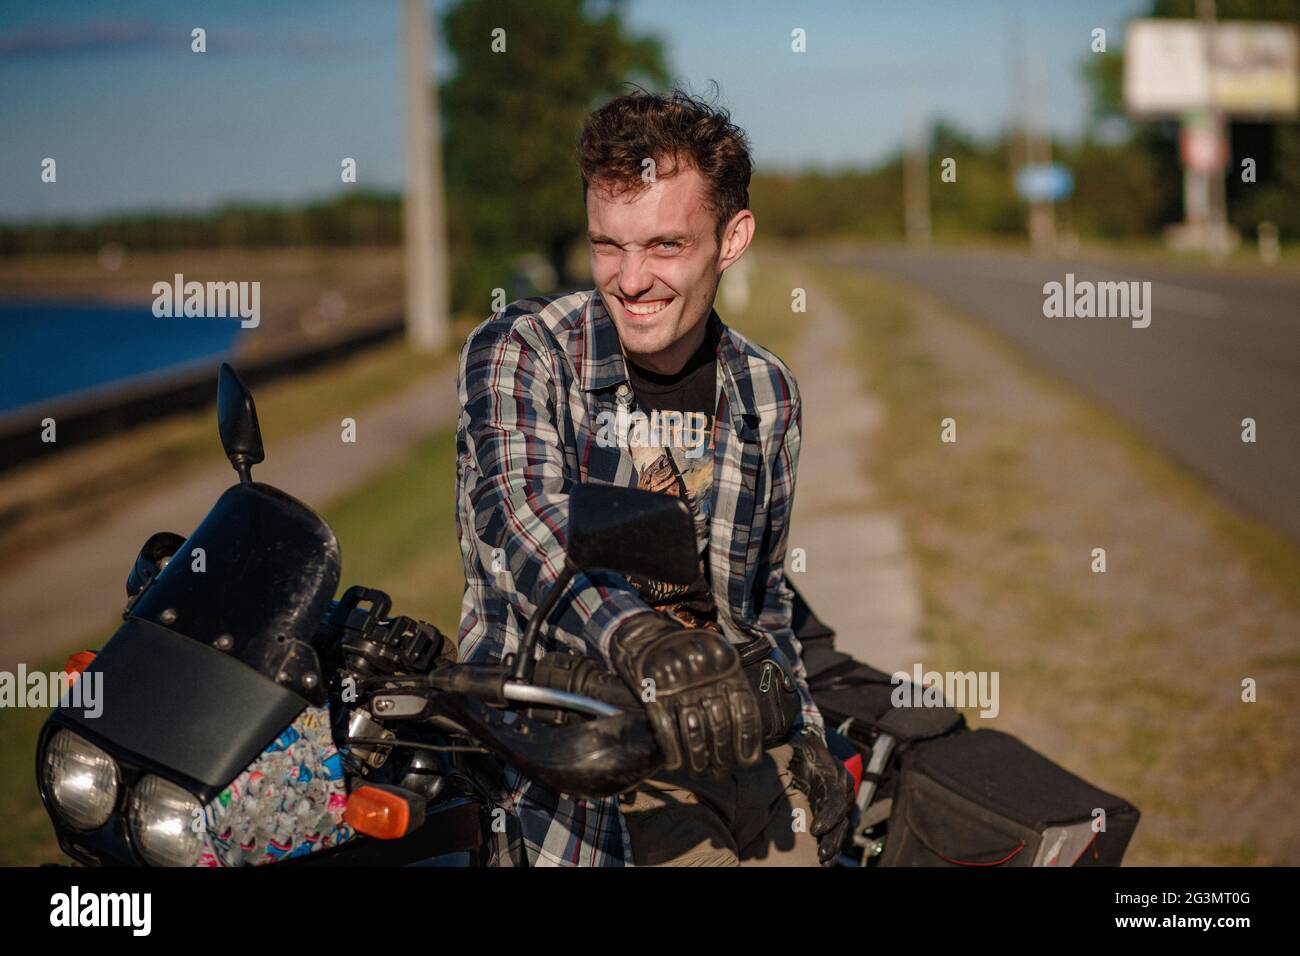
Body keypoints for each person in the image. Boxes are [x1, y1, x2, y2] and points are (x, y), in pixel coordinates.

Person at [453, 88, 852, 867]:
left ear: (731, 239)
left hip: (734, 745)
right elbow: (524, 519)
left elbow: (763, 600)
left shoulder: (768, 392)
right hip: (583, 754)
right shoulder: (524, 352)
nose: (630, 280)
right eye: (609, 245)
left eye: (665, 246)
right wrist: (636, 636)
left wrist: (803, 734)